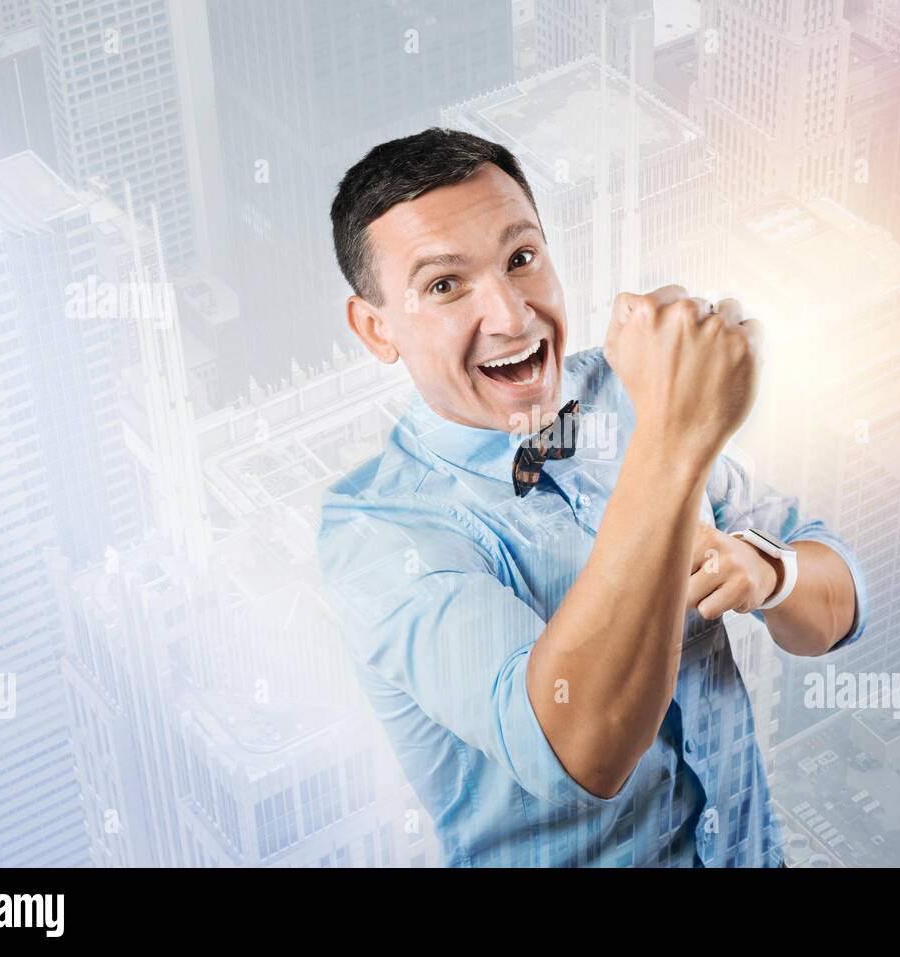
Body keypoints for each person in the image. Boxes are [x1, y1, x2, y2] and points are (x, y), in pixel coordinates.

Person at [317, 127, 869, 867]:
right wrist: (674, 439)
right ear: (376, 327)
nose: (513, 317)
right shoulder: (378, 534)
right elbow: (580, 750)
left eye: (522, 258)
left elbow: (843, 605)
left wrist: (770, 572)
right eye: (445, 285)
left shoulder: (626, 389)